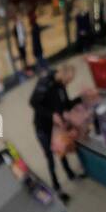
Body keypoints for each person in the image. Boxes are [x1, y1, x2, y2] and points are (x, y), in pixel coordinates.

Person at [29, 65, 85, 198]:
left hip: (56, 128)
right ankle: (56, 185)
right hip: (43, 127)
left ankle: (70, 174)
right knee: (50, 157)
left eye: (69, 82)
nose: (67, 84)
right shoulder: (45, 82)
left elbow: (65, 104)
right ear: (61, 75)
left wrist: (81, 98)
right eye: (67, 80)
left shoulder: (61, 86)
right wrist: (52, 115)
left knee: (62, 152)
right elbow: (33, 103)